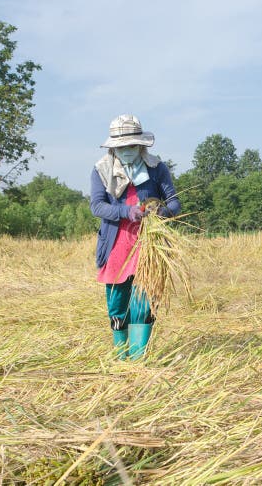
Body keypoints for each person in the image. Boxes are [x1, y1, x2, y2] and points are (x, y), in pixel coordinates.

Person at [90, 114, 181, 360]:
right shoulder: (102, 170)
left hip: (148, 246)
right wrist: (125, 211)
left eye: (131, 146)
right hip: (116, 246)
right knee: (118, 302)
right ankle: (122, 357)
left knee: (143, 301)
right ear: (114, 148)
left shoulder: (156, 169)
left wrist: (163, 211)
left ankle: (139, 358)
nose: (127, 151)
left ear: (140, 145)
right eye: (121, 147)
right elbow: (97, 206)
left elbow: (174, 202)